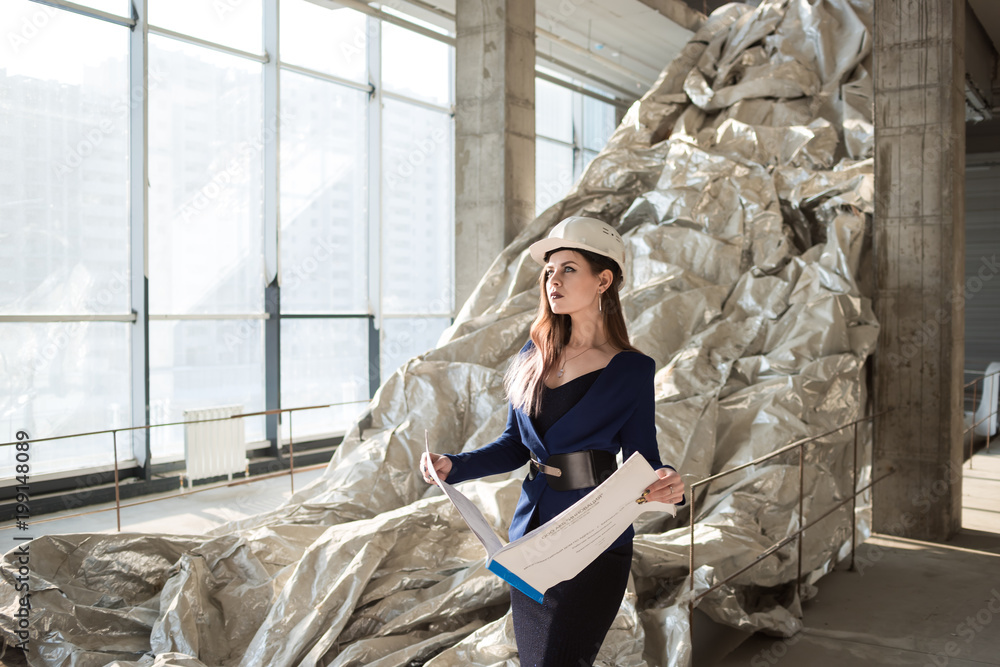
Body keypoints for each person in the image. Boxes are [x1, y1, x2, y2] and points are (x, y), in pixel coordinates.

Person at [421, 216, 686, 667]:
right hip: (530, 538)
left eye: (567, 269)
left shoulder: (632, 370)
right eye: (548, 271)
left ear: (603, 279)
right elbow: (514, 446)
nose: (552, 280)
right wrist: (453, 465)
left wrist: (667, 483)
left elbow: (646, 459)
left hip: (595, 538)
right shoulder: (532, 356)